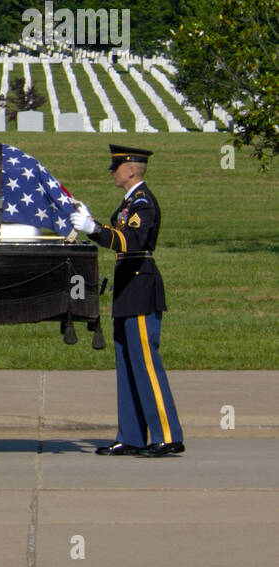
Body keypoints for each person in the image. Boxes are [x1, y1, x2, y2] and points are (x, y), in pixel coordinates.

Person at [69, 145, 184, 457]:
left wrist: (93, 229)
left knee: (146, 364)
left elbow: (130, 241)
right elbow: (116, 235)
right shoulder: (129, 203)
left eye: (116, 166)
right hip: (126, 288)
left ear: (131, 169)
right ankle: (132, 435)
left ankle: (168, 435)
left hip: (141, 288)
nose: (112, 171)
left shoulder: (143, 203)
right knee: (128, 365)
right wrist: (92, 224)